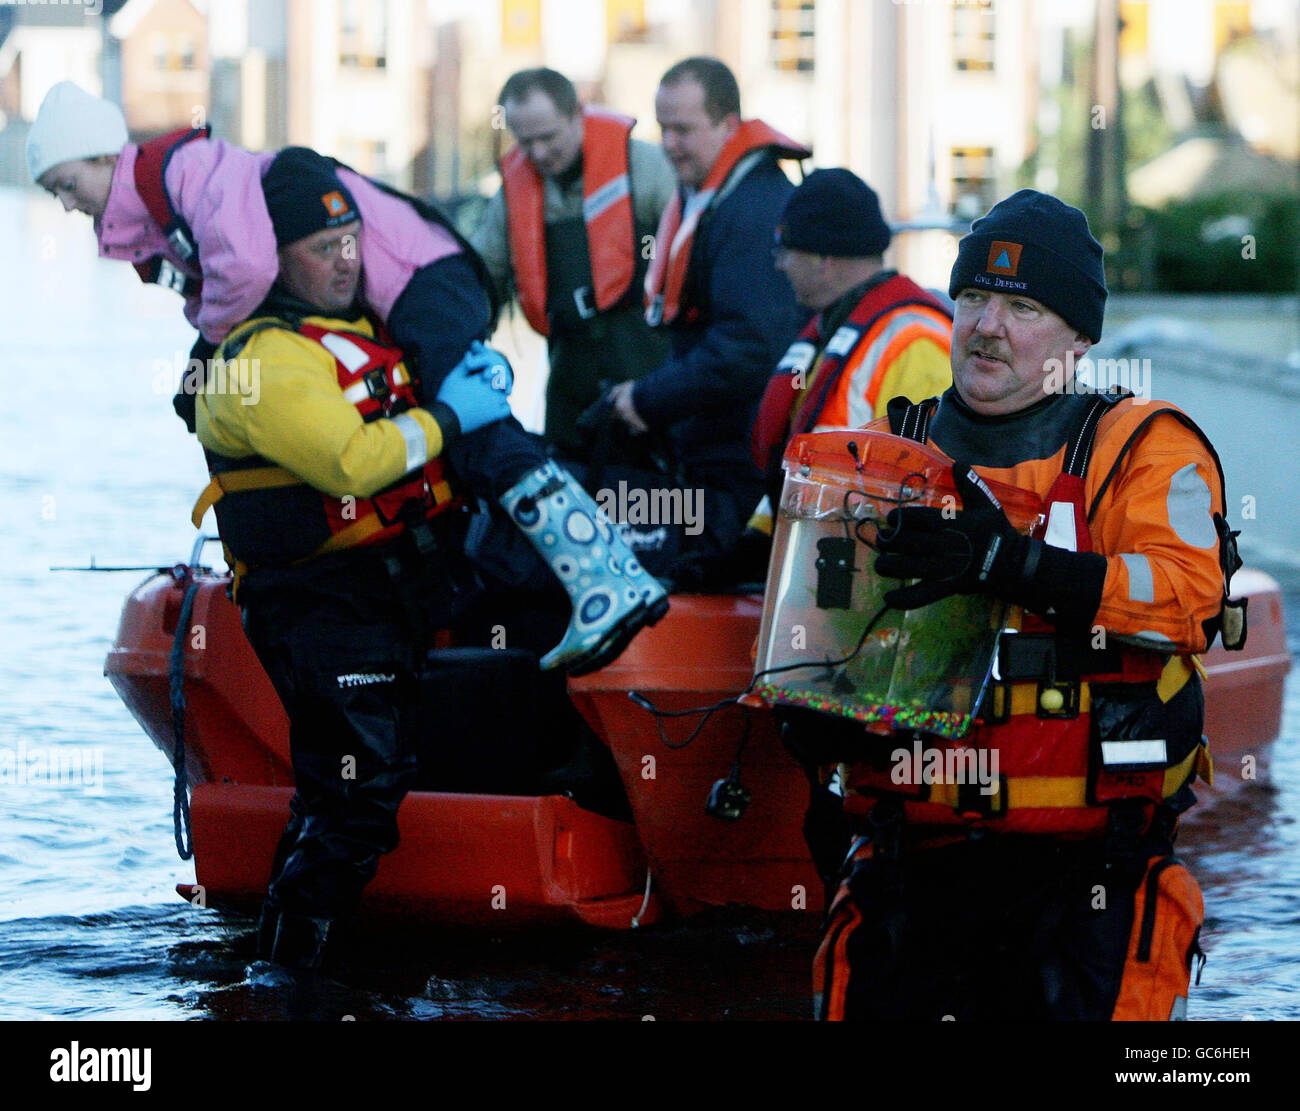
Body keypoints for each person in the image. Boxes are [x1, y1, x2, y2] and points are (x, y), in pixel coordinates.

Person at [780, 190, 1237, 1021]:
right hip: (914, 852)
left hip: (1086, 869)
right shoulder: (887, 449)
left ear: (1079, 339)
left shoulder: (1141, 446)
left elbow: (1188, 601)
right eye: (974, 299)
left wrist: (1011, 563)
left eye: (1023, 306)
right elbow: (820, 637)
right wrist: (814, 714)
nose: (988, 325)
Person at [28, 81, 666, 674]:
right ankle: (585, 571)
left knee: (476, 430)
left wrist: (208, 350)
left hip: (418, 274)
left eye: (66, 181)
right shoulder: (163, 199)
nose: (64, 201)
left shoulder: (183, 174)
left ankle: (600, 574)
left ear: (107, 159)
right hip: (414, 282)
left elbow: (247, 268)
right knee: (465, 425)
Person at [192, 161, 516, 968]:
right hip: (319, 604)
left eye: (350, 241)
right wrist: (451, 413)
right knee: (359, 798)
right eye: (322, 246)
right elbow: (349, 462)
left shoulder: (355, 334)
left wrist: (476, 389)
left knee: (339, 795)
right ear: (273, 257)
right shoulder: (260, 360)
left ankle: (277, 962)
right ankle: (292, 980)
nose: (344, 260)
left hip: (378, 598)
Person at [605, 56, 809, 581]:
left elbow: (751, 348)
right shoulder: (717, 196)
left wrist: (647, 400)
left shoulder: (754, 208)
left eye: (683, 130)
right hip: (713, 448)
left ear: (728, 125)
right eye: (662, 128)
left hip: (742, 461)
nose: (669, 144)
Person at [743, 168, 954, 576]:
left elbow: (925, 492)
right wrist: (758, 538)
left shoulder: (915, 342)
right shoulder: (831, 333)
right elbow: (802, 468)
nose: (781, 266)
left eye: (786, 251)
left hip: (868, 585)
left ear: (822, 258)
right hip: (822, 569)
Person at [471, 67, 676, 460]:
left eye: (548, 137)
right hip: (570, 388)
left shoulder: (647, 169)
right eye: (525, 141)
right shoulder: (512, 195)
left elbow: (696, 252)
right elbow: (480, 274)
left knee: (658, 506)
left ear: (576, 115)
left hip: (654, 380)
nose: (539, 154)